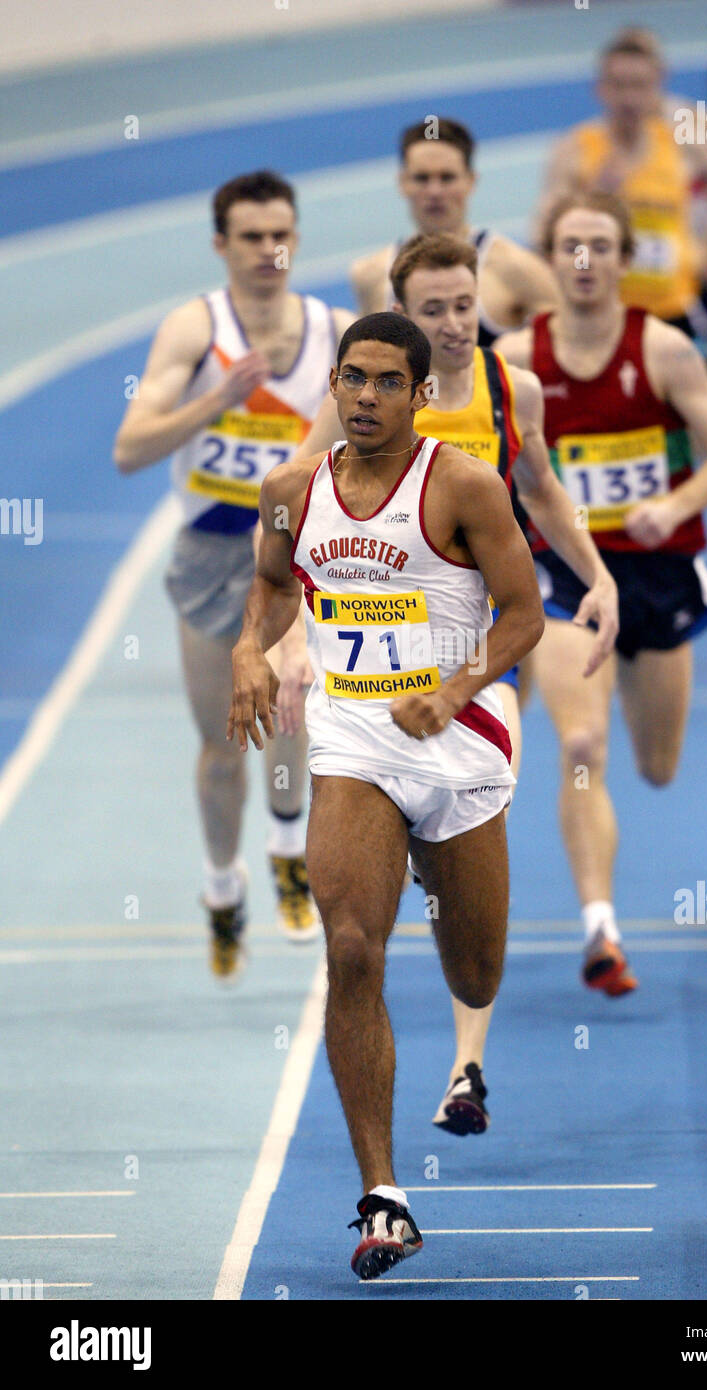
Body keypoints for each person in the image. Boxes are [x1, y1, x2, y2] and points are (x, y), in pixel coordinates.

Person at [227, 312, 545, 1279]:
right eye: (351, 379)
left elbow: (526, 614)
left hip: (458, 751)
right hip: (356, 740)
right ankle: (384, 1197)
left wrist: (453, 687)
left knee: (475, 974)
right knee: (353, 947)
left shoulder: (464, 485)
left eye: (385, 383)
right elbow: (274, 584)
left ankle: (468, 1009)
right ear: (333, 384)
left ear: (420, 393)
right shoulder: (292, 491)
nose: (365, 397)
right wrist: (250, 647)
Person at [295, 232, 619, 1136]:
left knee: (543, 774)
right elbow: (302, 518)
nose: (449, 322)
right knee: (364, 924)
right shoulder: (367, 394)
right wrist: (281, 642)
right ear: (402, 310)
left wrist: (596, 574)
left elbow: (542, 487)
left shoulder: (512, 386)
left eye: (463, 306)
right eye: (430, 309)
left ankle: (468, 1059)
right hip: (367, 654)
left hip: (488, 629)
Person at [496, 190, 707, 1003]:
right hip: (570, 576)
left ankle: (603, 911)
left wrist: (672, 506)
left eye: (600, 246)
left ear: (624, 257)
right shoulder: (515, 360)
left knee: (659, 767)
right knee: (580, 748)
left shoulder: (666, 350)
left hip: (658, 572)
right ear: (550, 253)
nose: (584, 261)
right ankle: (600, 928)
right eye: (569, 245)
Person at [113, 170, 353, 979]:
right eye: (249, 236)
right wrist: (215, 401)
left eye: (279, 233)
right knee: (223, 741)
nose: (267, 250)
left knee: (293, 705)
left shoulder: (334, 332)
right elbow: (129, 449)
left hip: (296, 552)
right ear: (221, 244)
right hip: (211, 553)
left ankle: (289, 846)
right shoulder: (194, 327)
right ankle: (224, 888)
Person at [535, 29, 707, 343]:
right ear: (600, 89)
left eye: (640, 86)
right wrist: (595, 196)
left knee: (702, 385)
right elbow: (542, 231)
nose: (629, 98)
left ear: (658, 89)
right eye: (619, 86)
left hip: (675, 310)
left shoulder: (683, 142)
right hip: (603, 315)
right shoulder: (574, 150)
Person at [351, 117, 558, 346]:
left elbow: (567, 346)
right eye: (422, 178)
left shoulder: (516, 267)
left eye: (447, 178)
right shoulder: (371, 275)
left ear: (470, 181)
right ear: (403, 183)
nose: (435, 191)